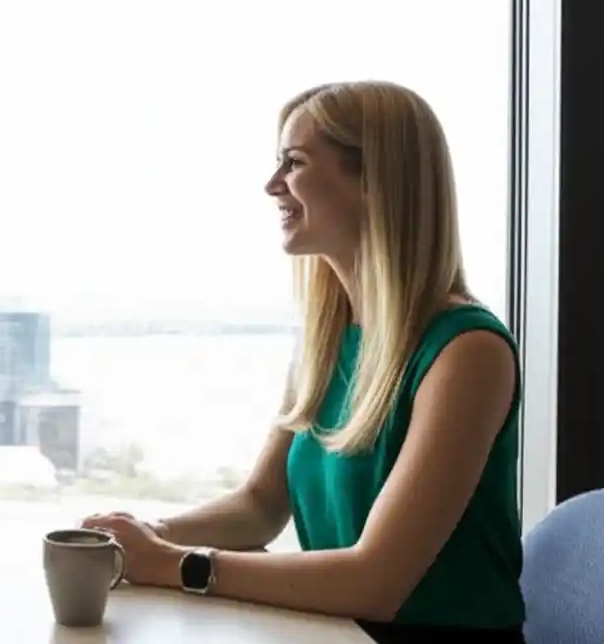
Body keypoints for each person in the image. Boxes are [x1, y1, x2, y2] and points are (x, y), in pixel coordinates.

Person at [83, 81, 525, 643]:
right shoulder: (330, 336)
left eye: (293, 163)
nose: (272, 186)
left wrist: (174, 563)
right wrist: (140, 537)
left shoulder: (468, 353)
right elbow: (260, 506)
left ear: (373, 182)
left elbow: (375, 581)